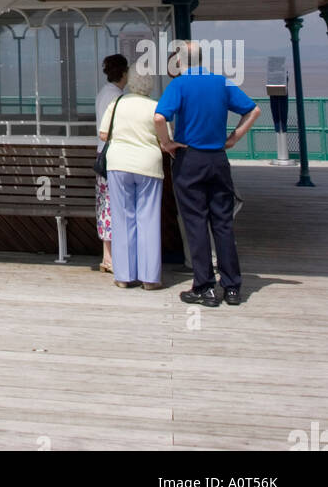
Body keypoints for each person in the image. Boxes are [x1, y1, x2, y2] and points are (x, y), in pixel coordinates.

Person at [154, 39, 261, 307]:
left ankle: (204, 287)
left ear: (179, 61)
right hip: (218, 159)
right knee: (223, 223)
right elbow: (254, 110)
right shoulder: (221, 82)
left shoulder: (178, 84)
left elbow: (159, 117)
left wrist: (166, 143)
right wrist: (234, 137)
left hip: (189, 159)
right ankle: (233, 287)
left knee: (196, 223)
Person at [100, 69, 164, 289]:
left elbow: (103, 134)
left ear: (130, 81)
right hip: (148, 164)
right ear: (150, 85)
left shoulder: (117, 104)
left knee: (122, 218)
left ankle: (124, 276)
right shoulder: (155, 106)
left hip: (118, 163)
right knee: (148, 219)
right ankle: (149, 278)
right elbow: (165, 137)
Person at [95, 54, 128, 272]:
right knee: (113, 205)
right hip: (113, 157)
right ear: (124, 73)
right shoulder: (117, 97)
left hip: (101, 155)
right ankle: (111, 257)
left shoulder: (103, 94)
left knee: (105, 205)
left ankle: (108, 255)